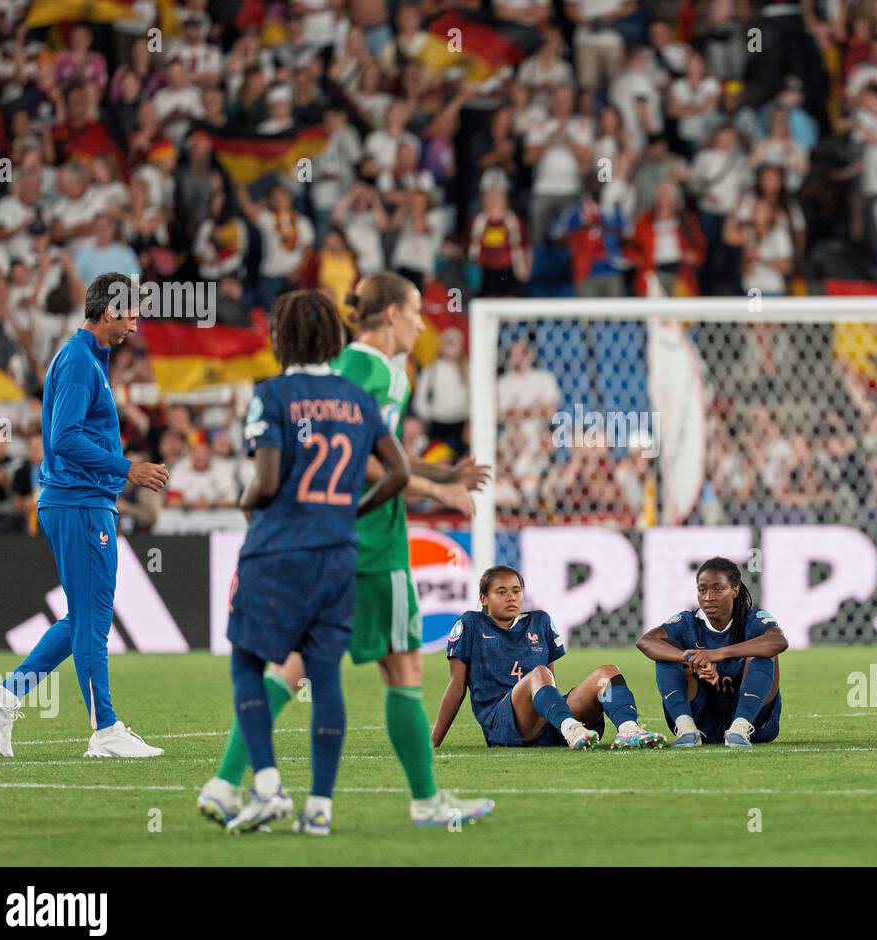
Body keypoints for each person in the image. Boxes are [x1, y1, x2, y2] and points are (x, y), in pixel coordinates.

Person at [199, 274, 495, 829]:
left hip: (323, 540)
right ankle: (421, 802)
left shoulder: (362, 371)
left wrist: (441, 471)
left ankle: (229, 782)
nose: (422, 322)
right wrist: (438, 489)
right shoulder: (369, 370)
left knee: (294, 665)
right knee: (402, 668)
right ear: (389, 317)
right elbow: (367, 460)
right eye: (414, 311)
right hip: (372, 542)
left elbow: (371, 448)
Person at [222, 290, 411, 834]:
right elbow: (398, 473)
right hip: (337, 552)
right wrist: (351, 511)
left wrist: (245, 504)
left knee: (247, 663)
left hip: (280, 548)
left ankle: (266, 788)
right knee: (325, 675)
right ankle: (321, 809)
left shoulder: (273, 394)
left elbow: (269, 479)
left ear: (282, 339)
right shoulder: (356, 397)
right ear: (334, 337)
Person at [0, 273, 170, 759]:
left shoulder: (84, 357)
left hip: (75, 501)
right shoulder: (81, 360)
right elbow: (63, 439)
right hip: (79, 502)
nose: (135, 321)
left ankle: (2, 698)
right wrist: (130, 469)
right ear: (107, 314)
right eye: (129, 312)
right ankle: (104, 730)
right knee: (95, 619)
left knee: (81, 618)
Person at [433, 565, 665, 751]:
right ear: (484, 598)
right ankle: (571, 729)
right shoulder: (470, 623)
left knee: (607, 672)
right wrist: (433, 741)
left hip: (550, 720)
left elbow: (550, 682)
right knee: (540, 673)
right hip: (503, 724)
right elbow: (456, 686)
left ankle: (629, 731)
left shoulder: (540, 621)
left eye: (516, 591)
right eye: (501, 592)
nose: (510, 597)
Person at [636, 557, 786, 747]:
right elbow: (645, 641)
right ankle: (686, 728)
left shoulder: (753, 619)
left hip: (755, 723)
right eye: (702, 590)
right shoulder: (687, 622)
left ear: (735, 590)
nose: (708, 597)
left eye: (718, 589)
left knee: (765, 650)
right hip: (702, 720)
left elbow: (779, 641)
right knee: (666, 652)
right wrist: (689, 658)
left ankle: (739, 728)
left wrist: (718, 653)